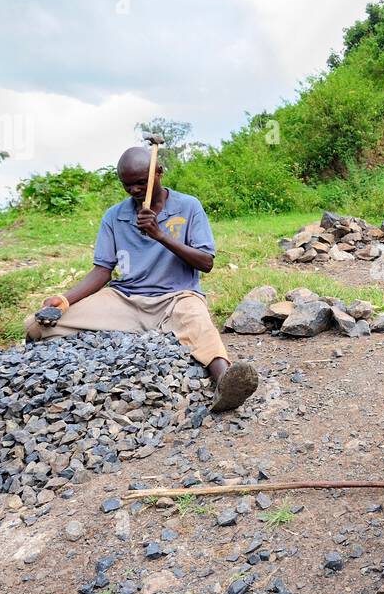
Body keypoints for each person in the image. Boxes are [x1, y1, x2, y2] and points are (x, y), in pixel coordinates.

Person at [23, 144, 258, 413]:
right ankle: (34, 368)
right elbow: (102, 271)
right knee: (36, 325)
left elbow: (206, 263)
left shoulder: (188, 207)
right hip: (124, 299)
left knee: (199, 324)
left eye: (141, 183)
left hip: (176, 297)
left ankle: (225, 383)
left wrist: (160, 235)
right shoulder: (114, 216)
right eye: (127, 185)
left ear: (159, 173)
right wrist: (64, 300)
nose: (134, 190)